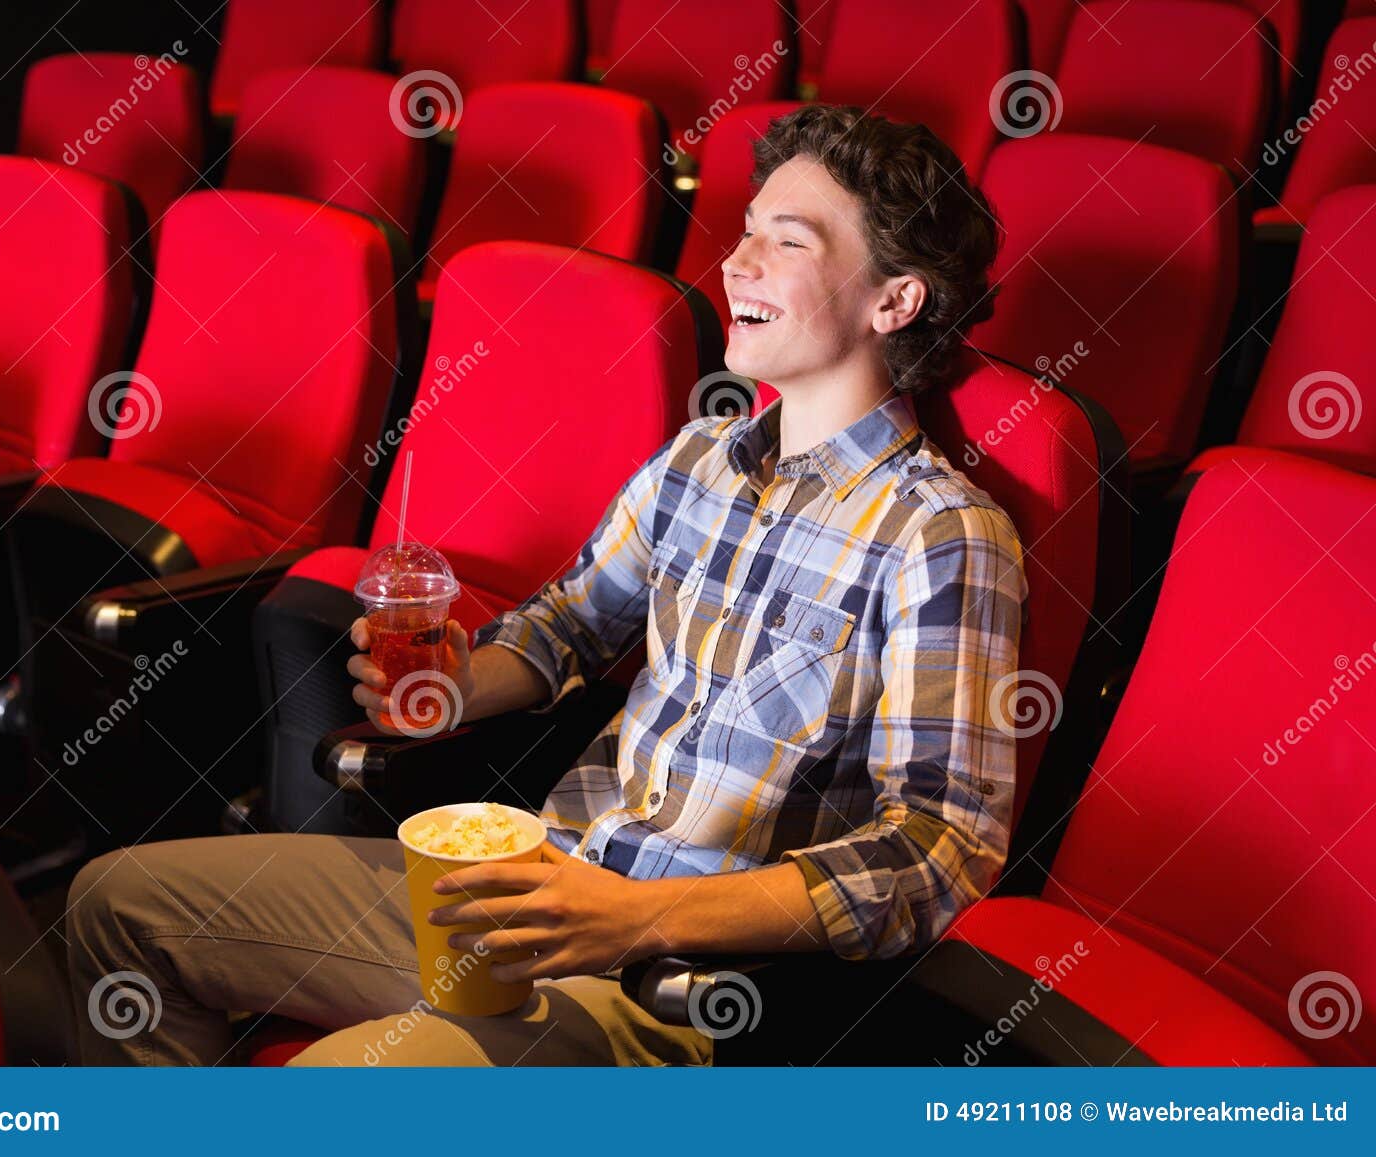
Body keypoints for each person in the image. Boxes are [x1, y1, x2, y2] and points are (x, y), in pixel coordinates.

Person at [66, 105, 1026, 1066]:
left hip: (666, 982)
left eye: (788, 241)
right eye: (744, 232)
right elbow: (567, 623)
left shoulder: (942, 534)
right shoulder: (699, 459)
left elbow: (938, 850)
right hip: (532, 883)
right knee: (117, 907)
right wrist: (454, 684)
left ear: (894, 301)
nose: (737, 263)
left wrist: (639, 917)